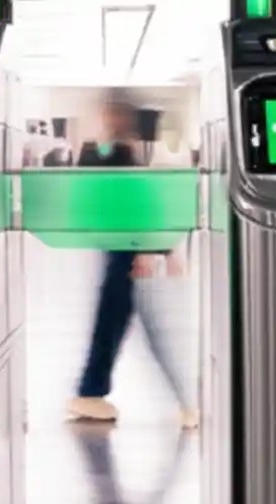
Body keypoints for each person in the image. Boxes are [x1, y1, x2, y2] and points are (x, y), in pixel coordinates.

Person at [67, 90, 199, 429]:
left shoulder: (113, 152)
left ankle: (90, 391)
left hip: (123, 250)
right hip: (123, 250)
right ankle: (183, 402)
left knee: (114, 324)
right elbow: (135, 204)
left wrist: (158, 249)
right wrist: (152, 249)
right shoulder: (112, 153)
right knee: (143, 329)